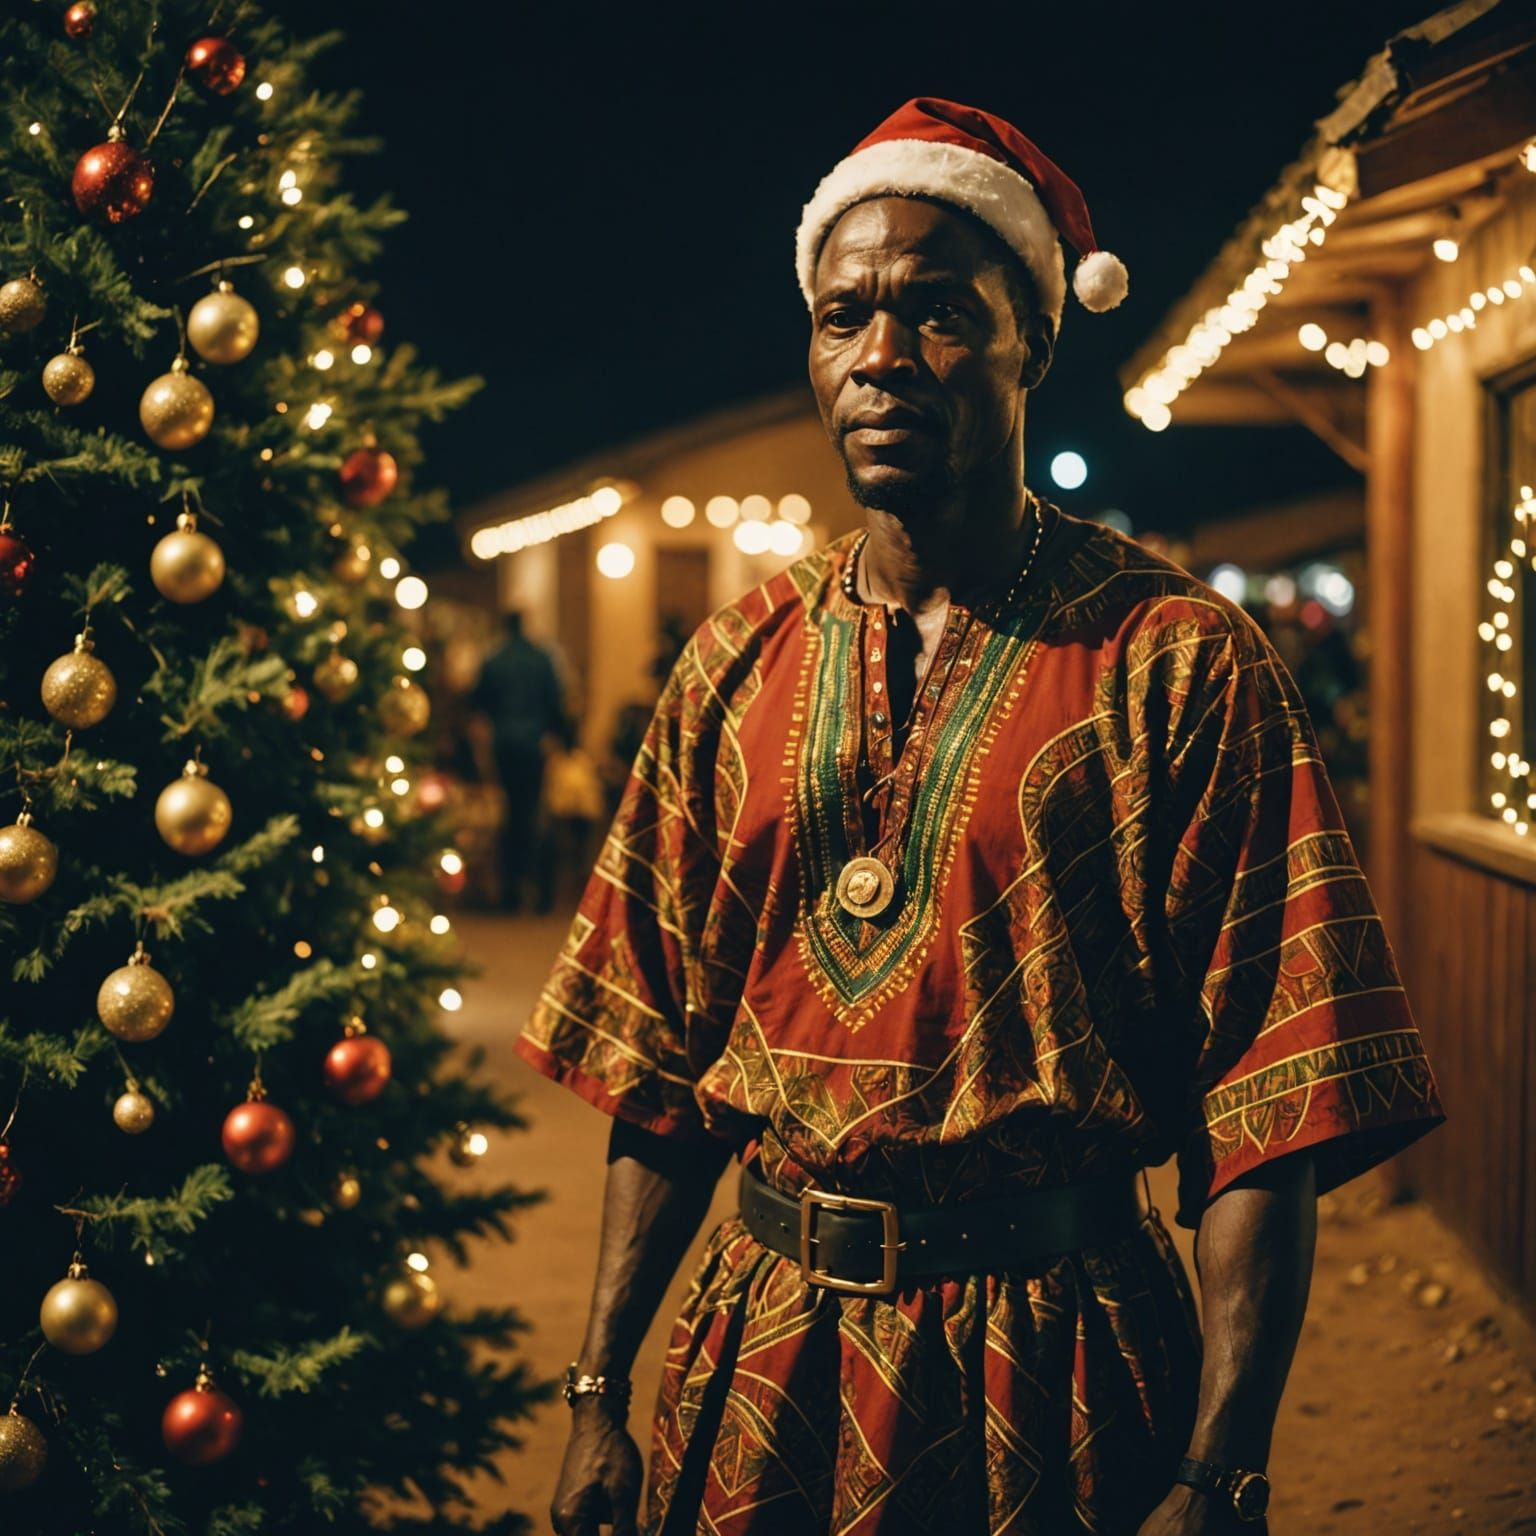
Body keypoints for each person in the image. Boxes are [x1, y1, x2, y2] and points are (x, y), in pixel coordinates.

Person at [516, 99, 1445, 1535]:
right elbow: (654, 1064)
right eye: (845, 318)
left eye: (940, 312)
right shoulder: (729, 667)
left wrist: (1225, 1467)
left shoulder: (1175, 662)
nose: (884, 357)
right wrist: (596, 1395)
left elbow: (1274, 1093)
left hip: (1057, 1369)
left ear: (1034, 344)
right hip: (757, 1366)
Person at [470, 609, 569, 913]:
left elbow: (479, 701)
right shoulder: (541, 659)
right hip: (535, 745)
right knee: (536, 814)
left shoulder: (494, 659)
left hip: (504, 745)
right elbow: (556, 702)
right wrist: (562, 740)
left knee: (510, 815)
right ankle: (542, 895)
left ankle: (510, 892)